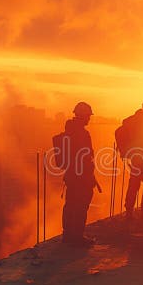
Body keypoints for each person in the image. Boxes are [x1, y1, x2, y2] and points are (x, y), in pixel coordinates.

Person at [61, 102, 97, 246]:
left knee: (70, 205)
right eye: (88, 116)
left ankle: (68, 235)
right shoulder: (81, 133)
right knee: (81, 206)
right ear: (83, 116)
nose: (89, 119)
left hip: (71, 175)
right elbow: (86, 157)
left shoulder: (70, 131)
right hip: (81, 176)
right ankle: (77, 236)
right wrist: (90, 176)